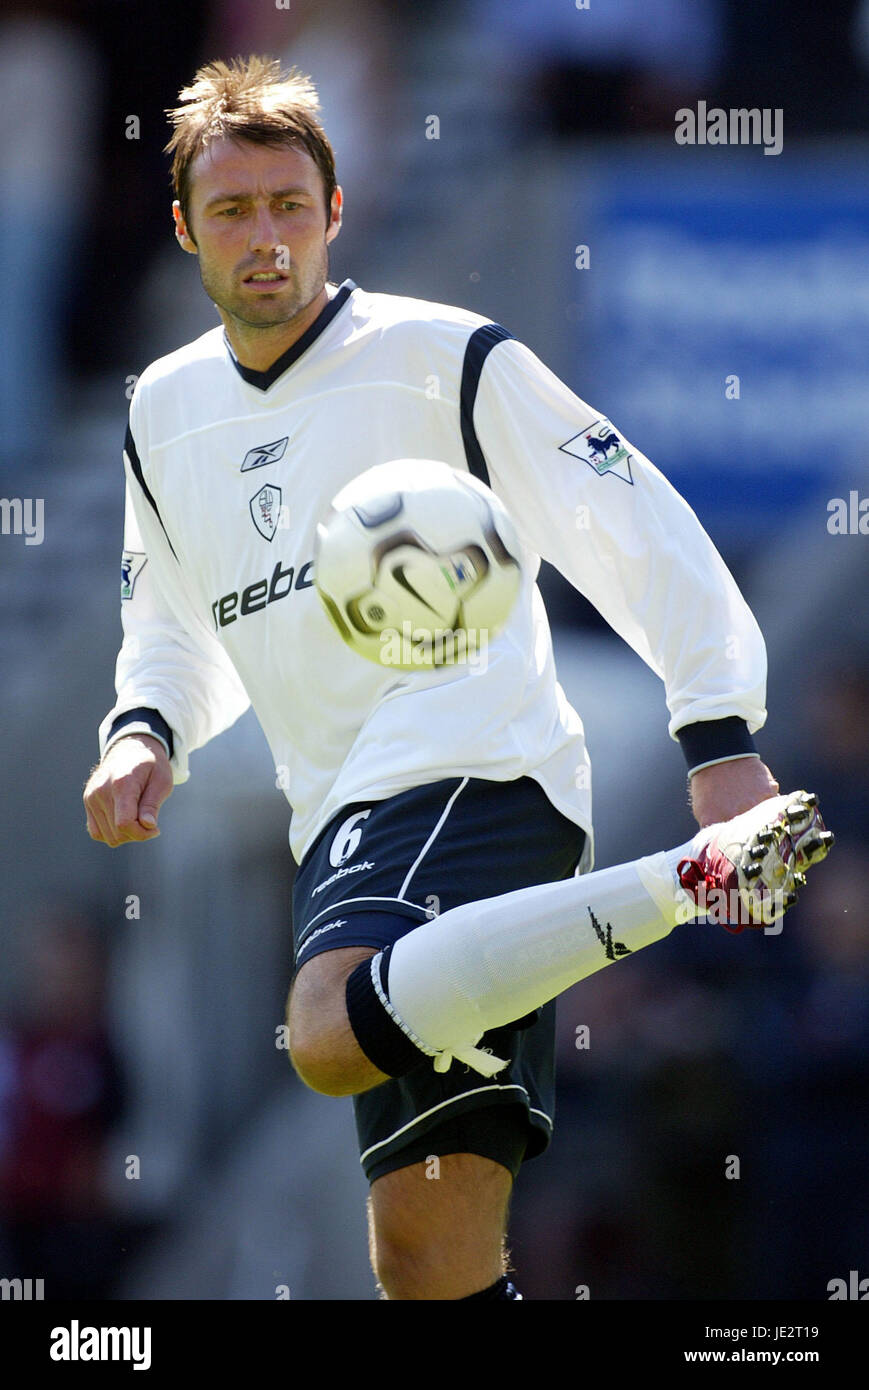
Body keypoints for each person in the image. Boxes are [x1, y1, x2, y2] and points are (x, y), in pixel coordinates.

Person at [82, 57, 832, 1301]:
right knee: (428, 1262)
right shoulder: (162, 413)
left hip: (476, 768)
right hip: (340, 821)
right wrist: (144, 729)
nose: (263, 238)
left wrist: (718, 738)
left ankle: (687, 883)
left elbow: (623, 516)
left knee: (323, 1029)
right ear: (184, 229)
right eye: (231, 211)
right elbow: (171, 620)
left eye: (286, 205)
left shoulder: (445, 354)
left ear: (333, 211)